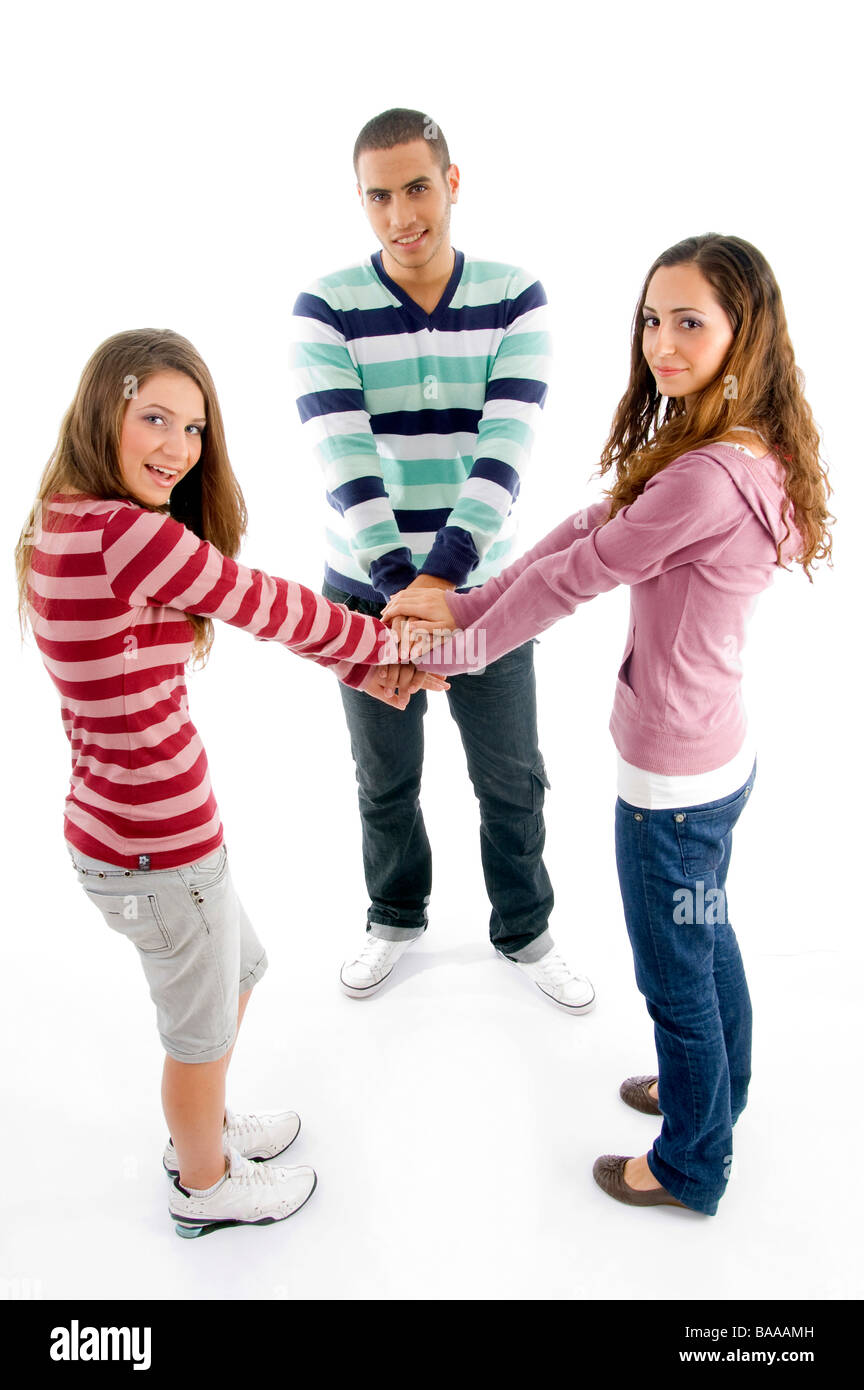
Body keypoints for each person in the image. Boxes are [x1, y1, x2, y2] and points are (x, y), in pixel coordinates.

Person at [384, 234, 833, 1215]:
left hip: (671, 791)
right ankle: (716, 1093)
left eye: (689, 322)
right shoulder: (733, 450)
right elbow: (584, 535)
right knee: (707, 939)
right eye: (651, 317)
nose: (660, 343)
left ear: (742, 333)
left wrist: (449, 654)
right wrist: (462, 607)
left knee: (677, 976)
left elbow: (576, 579)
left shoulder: (705, 479)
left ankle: (690, 1163)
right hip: (716, 759)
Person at [15, 328, 446, 1238]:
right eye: (155, 419)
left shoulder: (65, 518)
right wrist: (383, 648)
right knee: (199, 1030)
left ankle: (200, 1126)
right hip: (157, 846)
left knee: (237, 970)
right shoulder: (128, 535)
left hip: (121, 832)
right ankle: (202, 1185)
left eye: (195, 428)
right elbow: (261, 602)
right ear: (107, 412)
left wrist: (366, 671)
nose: (177, 447)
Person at [291, 107, 594, 1010]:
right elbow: (344, 463)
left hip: (487, 596)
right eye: (378, 196)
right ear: (360, 200)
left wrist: (445, 590)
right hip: (365, 592)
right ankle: (394, 916)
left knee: (510, 775)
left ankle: (526, 929)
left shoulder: (515, 295)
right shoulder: (325, 306)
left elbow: (506, 451)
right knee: (385, 777)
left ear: (451, 183)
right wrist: (402, 595)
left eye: (416, 188)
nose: (399, 215)